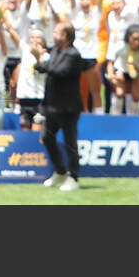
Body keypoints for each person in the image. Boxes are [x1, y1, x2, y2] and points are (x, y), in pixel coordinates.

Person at [34, 20, 85, 191]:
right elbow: (44, 68)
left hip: (68, 108)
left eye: (56, 32)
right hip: (53, 107)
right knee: (48, 138)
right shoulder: (56, 50)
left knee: (70, 143)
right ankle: (60, 171)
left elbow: (59, 72)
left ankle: (74, 177)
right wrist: (38, 59)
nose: (53, 35)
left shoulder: (73, 54)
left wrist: (42, 63)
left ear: (65, 36)